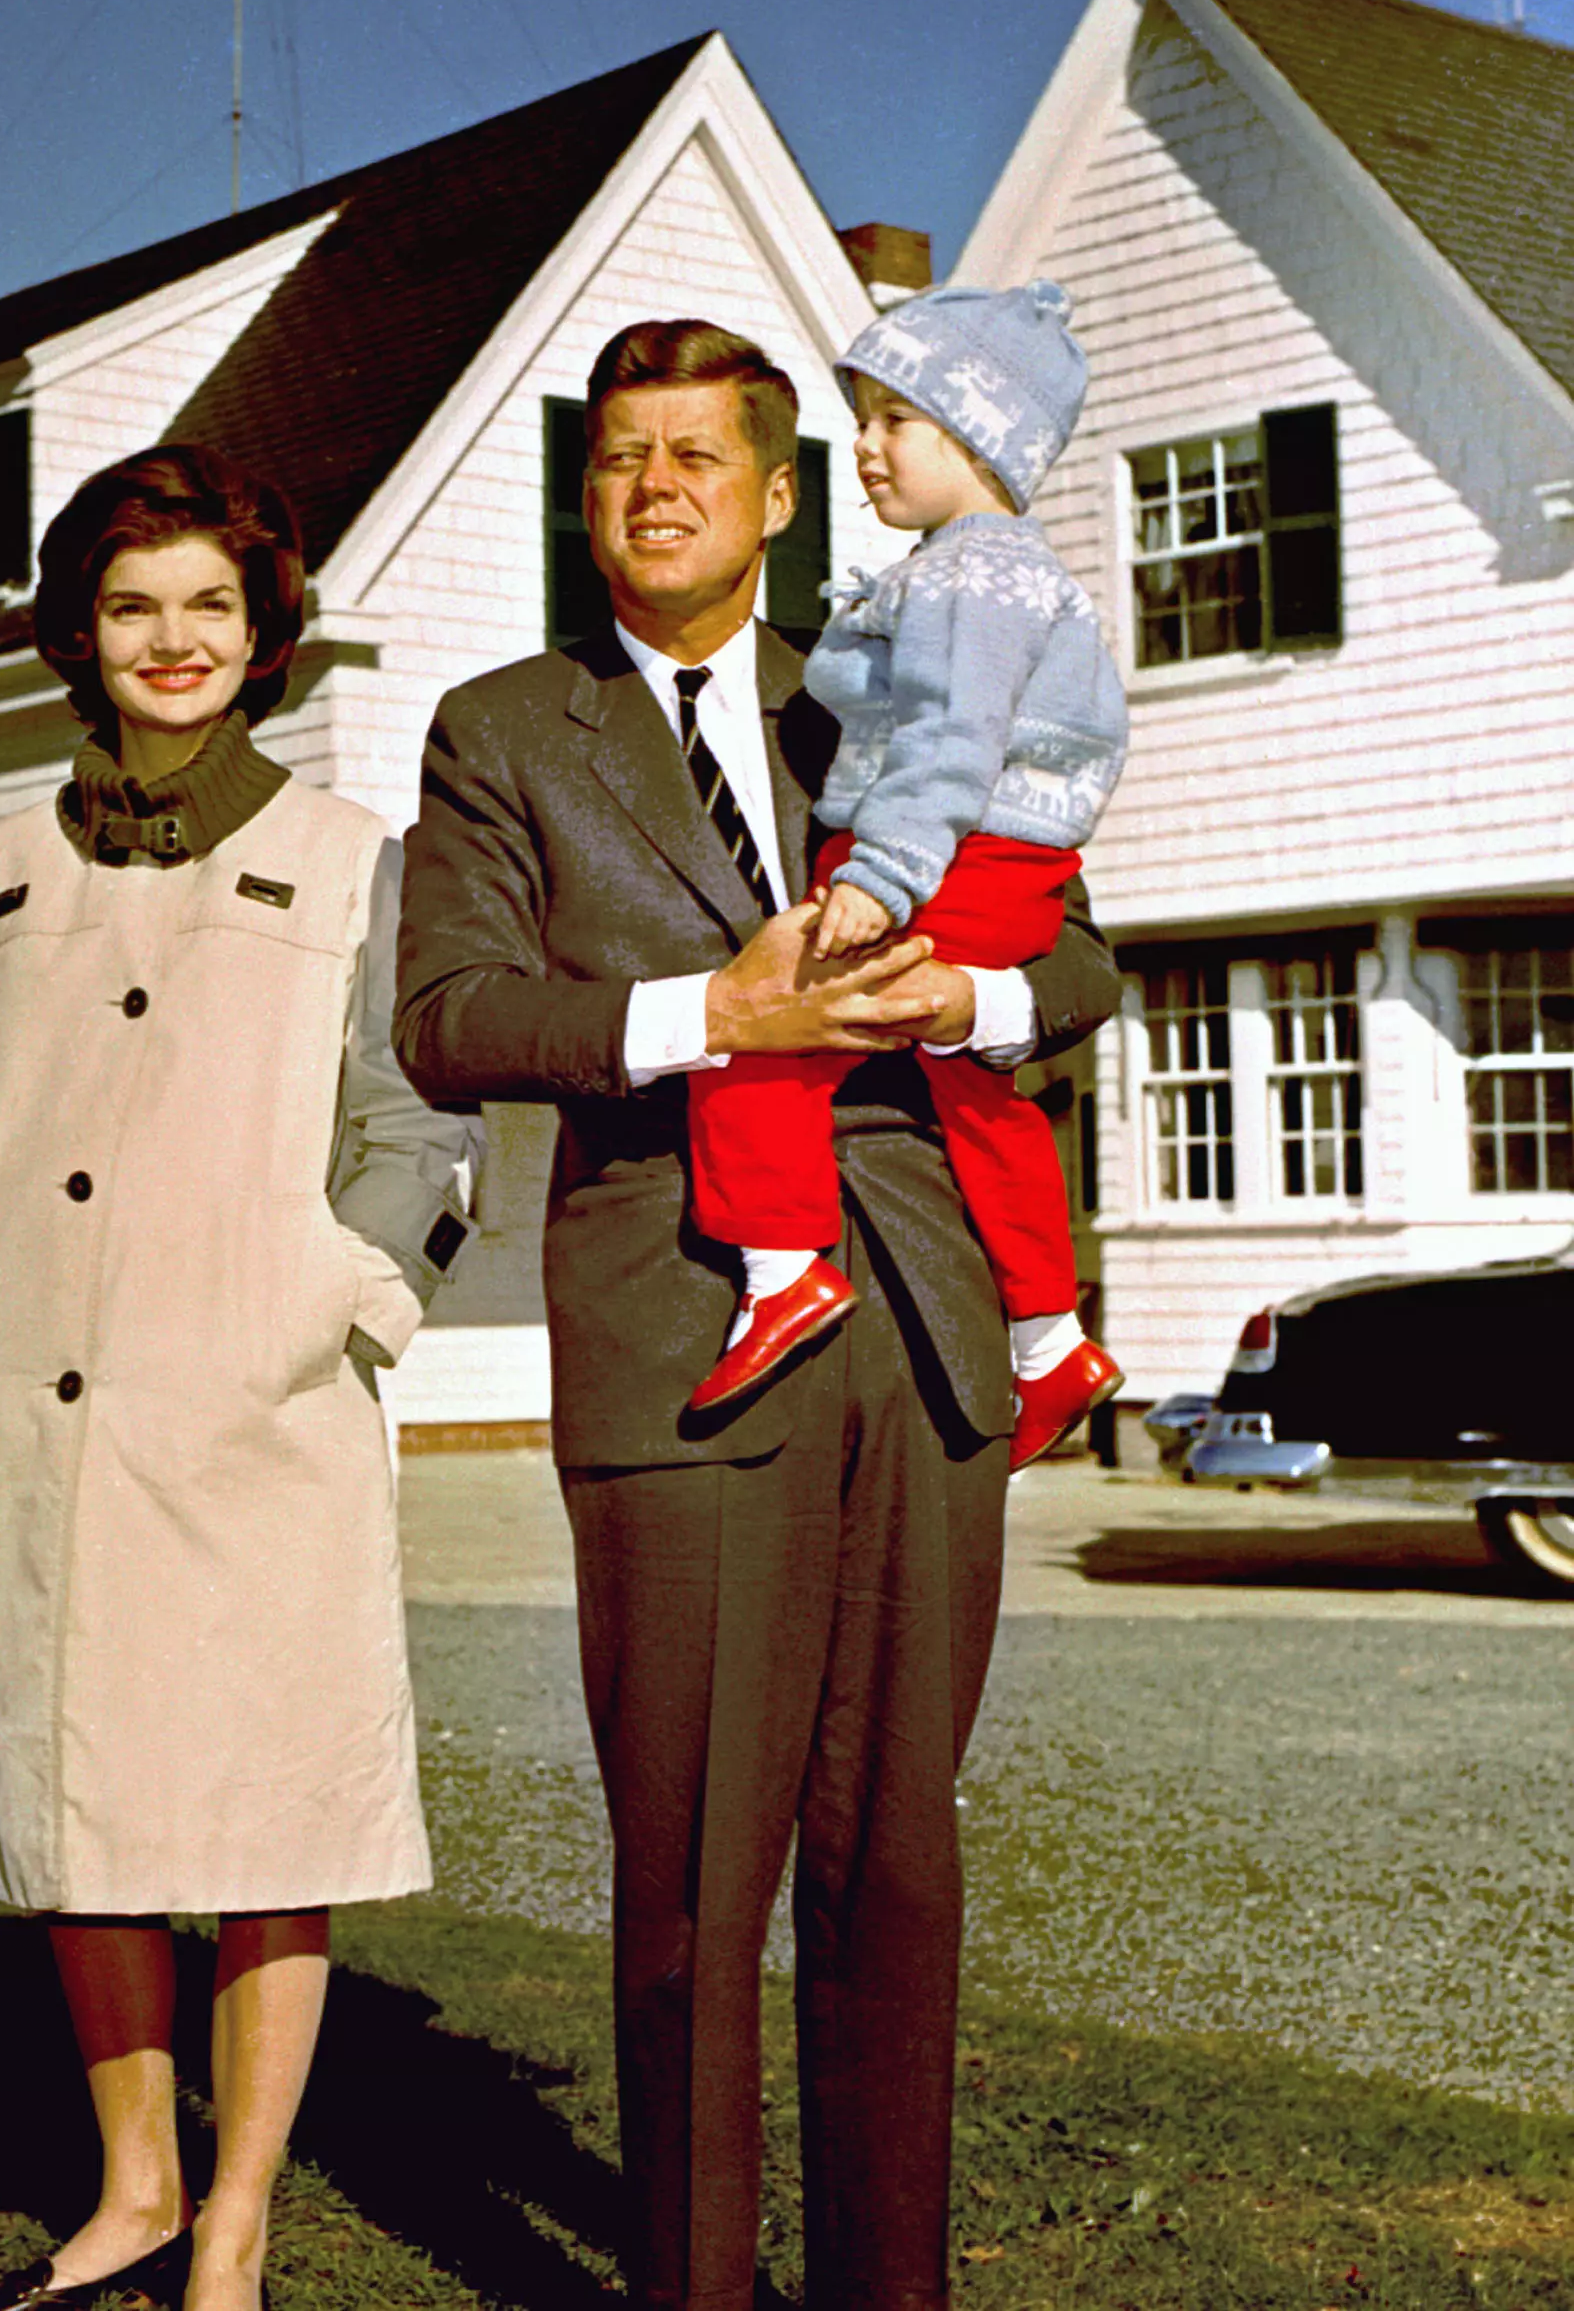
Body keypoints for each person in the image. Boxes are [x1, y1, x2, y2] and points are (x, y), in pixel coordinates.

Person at [394, 319, 1119, 2311]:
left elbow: (1076, 965)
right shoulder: (500, 730)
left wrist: (946, 1002)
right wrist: (706, 1018)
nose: (656, 487)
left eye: (699, 455)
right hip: (682, 1340)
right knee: (700, 1878)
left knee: (896, 1863)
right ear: (585, 491)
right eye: (620, 455)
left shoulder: (891, 687)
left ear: (778, 495)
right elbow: (450, 1019)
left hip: (918, 1328)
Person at [0, 444, 477, 2311]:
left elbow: (421, 1134)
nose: (171, 639)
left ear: (262, 629)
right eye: (132, 603)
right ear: (80, 627)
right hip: (44, 1409)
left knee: (262, 1808)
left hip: (257, 1413)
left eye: (209, 604)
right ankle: (133, 2192)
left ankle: (235, 2229)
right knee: (88, 1814)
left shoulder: (350, 864)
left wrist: (324, 1307)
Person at [682, 282, 1128, 1467]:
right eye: (863, 418)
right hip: (1003, 863)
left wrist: (880, 873)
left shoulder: (969, 577)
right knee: (978, 1097)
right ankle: (1046, 1340)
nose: (864, 448)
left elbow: (949, 738)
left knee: (759, 1040)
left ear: (978, 438)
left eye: (896, 422)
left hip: (940, 858)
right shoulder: (985, 572)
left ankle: (779, 1273)